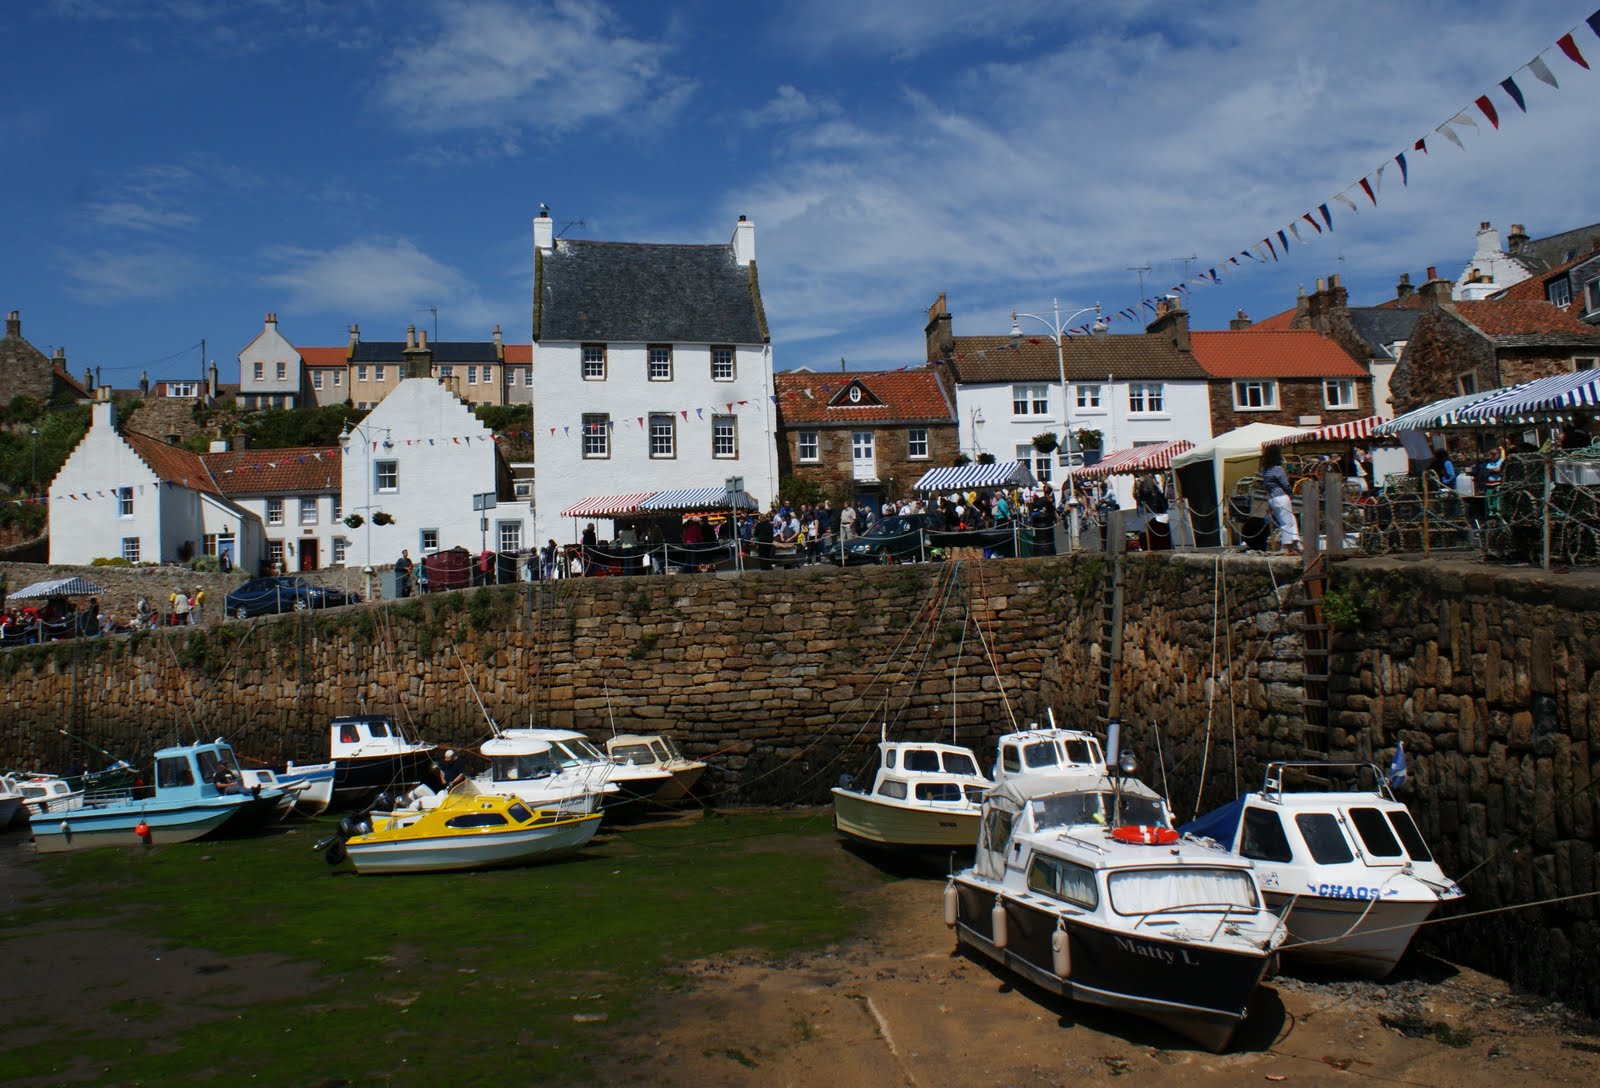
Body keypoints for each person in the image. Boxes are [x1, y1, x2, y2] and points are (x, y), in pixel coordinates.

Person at [1259, 445, 1300, 555]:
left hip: (1272, 498)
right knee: (1287, 523)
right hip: (1281, 497)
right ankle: (1286, 546)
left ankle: (1296, 542)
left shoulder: (1266, 470)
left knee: (1291, 519)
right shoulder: (1278, 469)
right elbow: (1285, 484)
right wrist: (1291, 493)